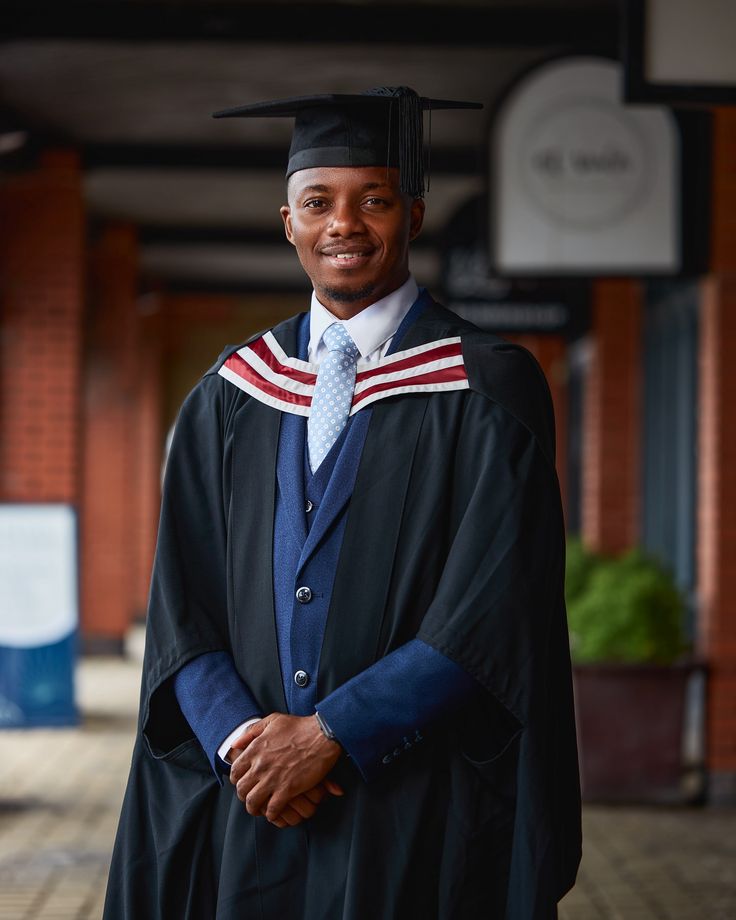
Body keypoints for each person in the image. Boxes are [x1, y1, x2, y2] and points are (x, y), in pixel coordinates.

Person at [103, 86, 581, 920]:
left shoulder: (485, 386)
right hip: (251, 804)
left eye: (375, 201)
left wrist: (330, 736)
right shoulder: (233, 394)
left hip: (414, 800)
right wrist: (243, 750)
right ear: (286, 220)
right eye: (318, 202)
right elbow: (182, 603)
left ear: (415, 214)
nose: (345, 225)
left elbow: (496, 608)